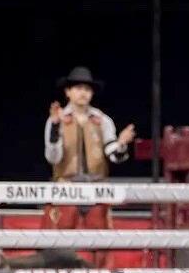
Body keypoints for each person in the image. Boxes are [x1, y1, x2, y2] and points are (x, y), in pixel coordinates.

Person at [41, 66, 136, 232]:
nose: (83, 93)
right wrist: (56, 127)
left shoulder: (102, 120)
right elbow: (53, 157)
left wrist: (121, 143)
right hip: (66, 188)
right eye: (78, 88)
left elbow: (112, 154)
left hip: (96, 187)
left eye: (87, 89)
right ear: (68, 92)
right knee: (61, 239)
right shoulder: (57, 120)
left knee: (100, 240)